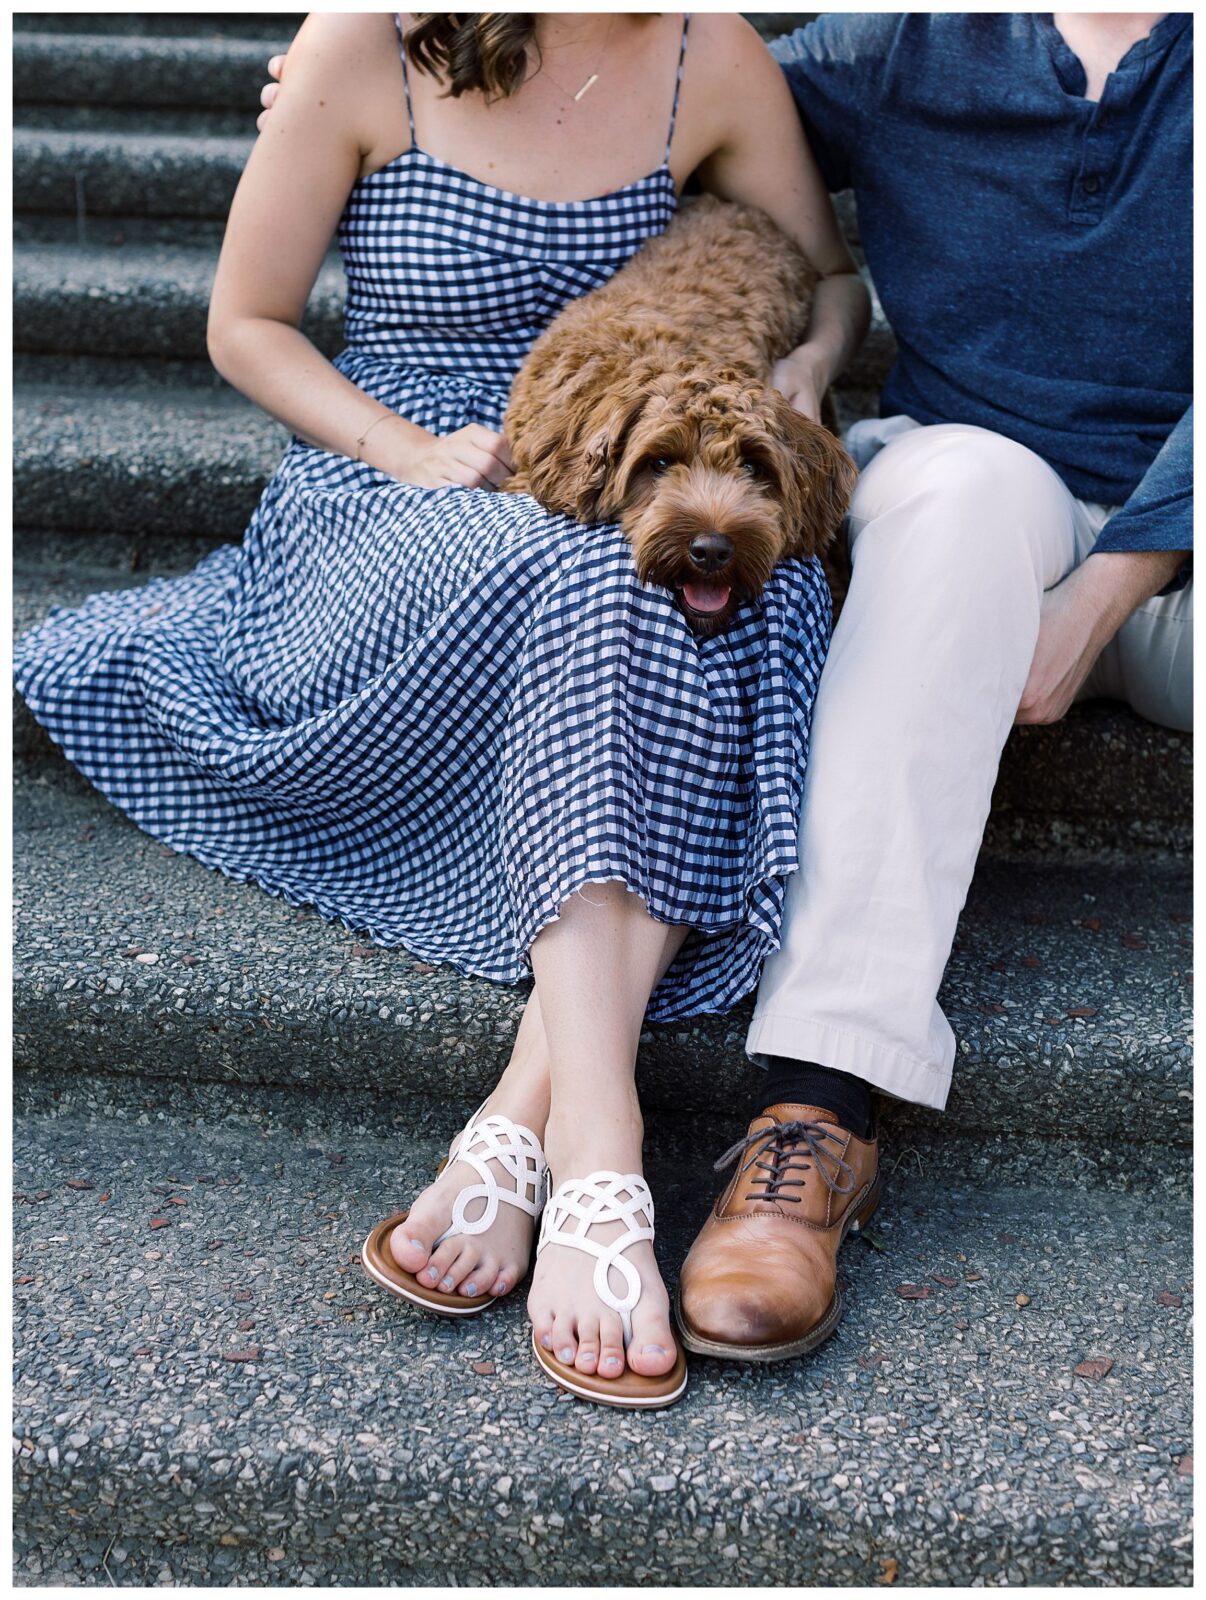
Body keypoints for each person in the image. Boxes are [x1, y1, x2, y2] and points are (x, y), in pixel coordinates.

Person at [253, 10, 1191, 1369]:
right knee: (934, 495)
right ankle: (809, 1108)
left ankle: (541, 1113)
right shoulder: (896, 44)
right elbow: (633, 108)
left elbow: (778, 223)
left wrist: (1107, 591)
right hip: (991, 510)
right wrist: (347, 63)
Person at [12, 12, 869, 1409]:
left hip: (620, 474)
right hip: (390, 476)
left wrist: (801, 374)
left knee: (722, 586)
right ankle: (605, 1144)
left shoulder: (709, 55)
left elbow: (829, 278)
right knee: (598, 580)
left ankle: (521, 1129)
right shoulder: (367, 44)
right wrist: (406, 450)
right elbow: (246, 322)